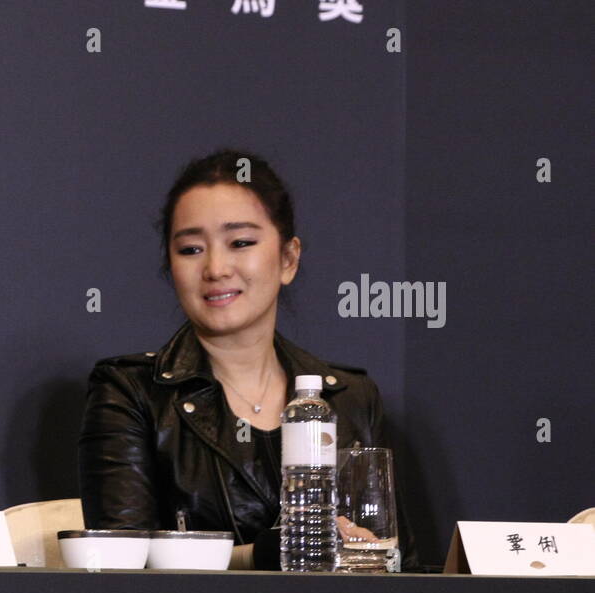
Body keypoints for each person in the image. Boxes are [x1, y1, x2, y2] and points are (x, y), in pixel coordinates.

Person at [78, 149, 419, 571]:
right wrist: (262, 554)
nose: (216, 267)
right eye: (190, 249)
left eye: (241, 243)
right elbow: (119, 571)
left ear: (288, 259)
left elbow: (401, 564)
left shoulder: (350, 397)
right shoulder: (131, 391)